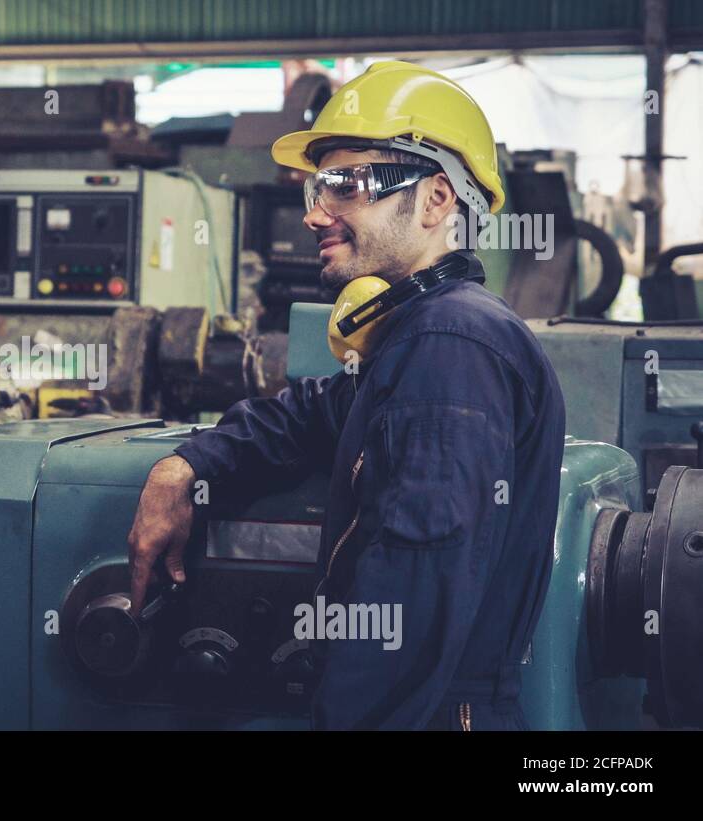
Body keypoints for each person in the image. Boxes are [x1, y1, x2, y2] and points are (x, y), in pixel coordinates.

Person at [125, 61, 566, 730]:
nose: (313, 213)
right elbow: (309, 414)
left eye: (345, 186)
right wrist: (186, 465)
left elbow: (408, 609)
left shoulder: (452, 345)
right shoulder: (414, 338)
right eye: (314, 188)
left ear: (436, 199)